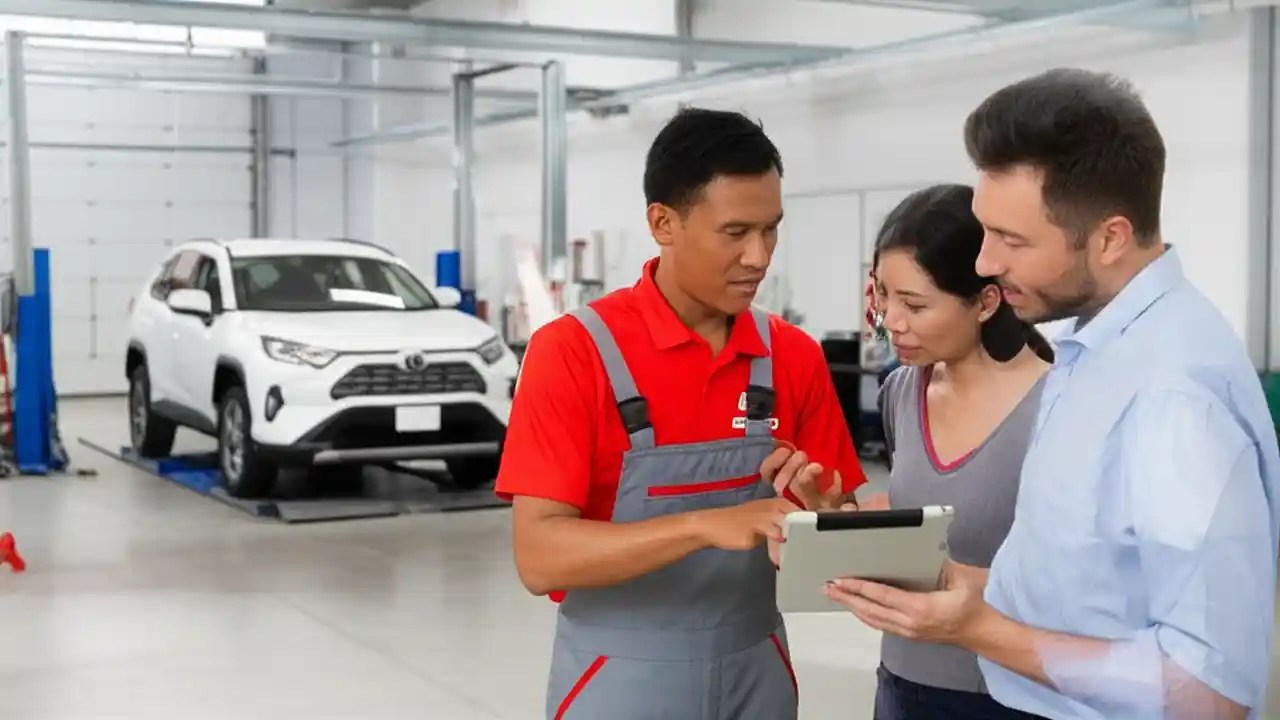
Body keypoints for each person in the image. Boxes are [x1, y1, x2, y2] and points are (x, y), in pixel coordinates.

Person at [823, 68, 1280, 720]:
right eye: (985, 231)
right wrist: (946, 583)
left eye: (1010, 240)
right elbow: (1088, 590)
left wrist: (976, 628)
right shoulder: (1093, 350)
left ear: (1110, 237)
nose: (983, 262)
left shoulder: (1172, 396)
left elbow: (1207, 691)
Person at [495, 107, 868, 720]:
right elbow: (540, 558)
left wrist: (827, 520)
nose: (759, 256)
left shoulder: (791, 357)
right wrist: (703, 525)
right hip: (617, 677)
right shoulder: (574, 353)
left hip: (759, 670)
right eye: (735, 232)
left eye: (771, 229)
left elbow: (837, 528)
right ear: (663, 223)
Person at [860, 183, 1054, 719]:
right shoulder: (901, 392)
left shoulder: (1058, 407)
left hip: (1010, 696)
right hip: (901, 681)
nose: (891, 321)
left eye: (915, 304)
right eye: (883, 295)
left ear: (987, 301)